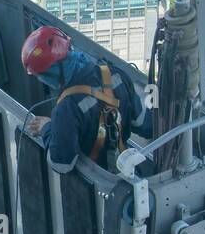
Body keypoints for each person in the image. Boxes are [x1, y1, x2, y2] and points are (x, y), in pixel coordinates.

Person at [21, 26, 151, 170]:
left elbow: (61, 164)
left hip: (96, 184)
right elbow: (144, 125)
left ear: (50, 73)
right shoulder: (116, 74)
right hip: (127, 170)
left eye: (41, 75)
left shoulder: (66, 109)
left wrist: (47, 128)